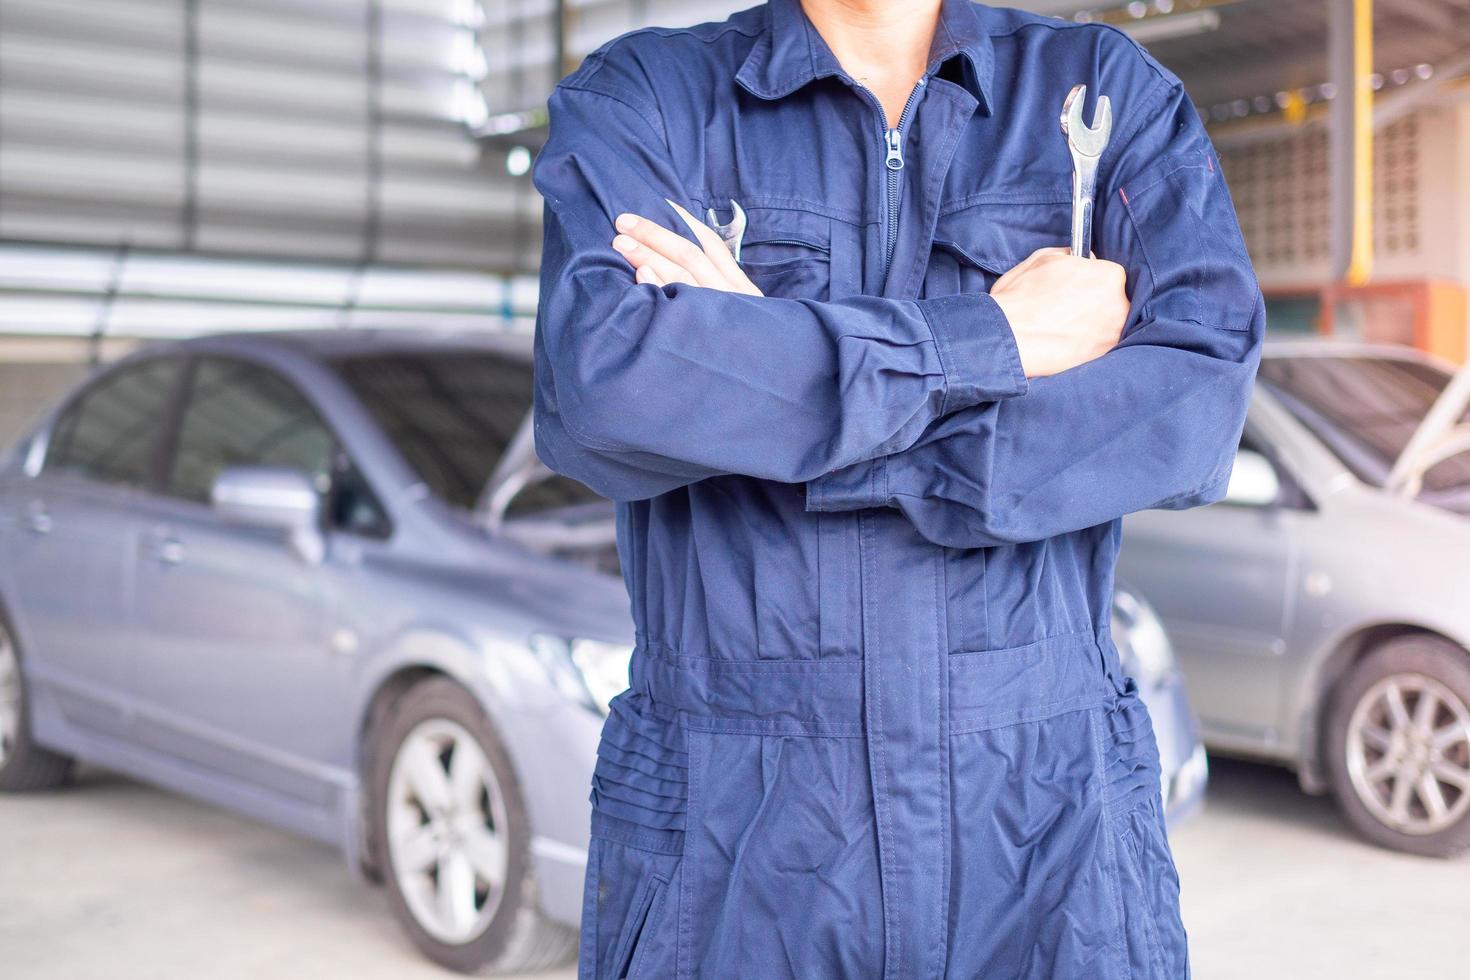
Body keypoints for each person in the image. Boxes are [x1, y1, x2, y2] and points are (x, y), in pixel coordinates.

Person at [530, 0, 1263, 976]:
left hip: (1050, 833)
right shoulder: (650, 102)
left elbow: (1194, 411)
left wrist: (773, 368)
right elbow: (607, 390)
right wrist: (992, 340)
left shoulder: (1102, 95)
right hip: (732, 834)